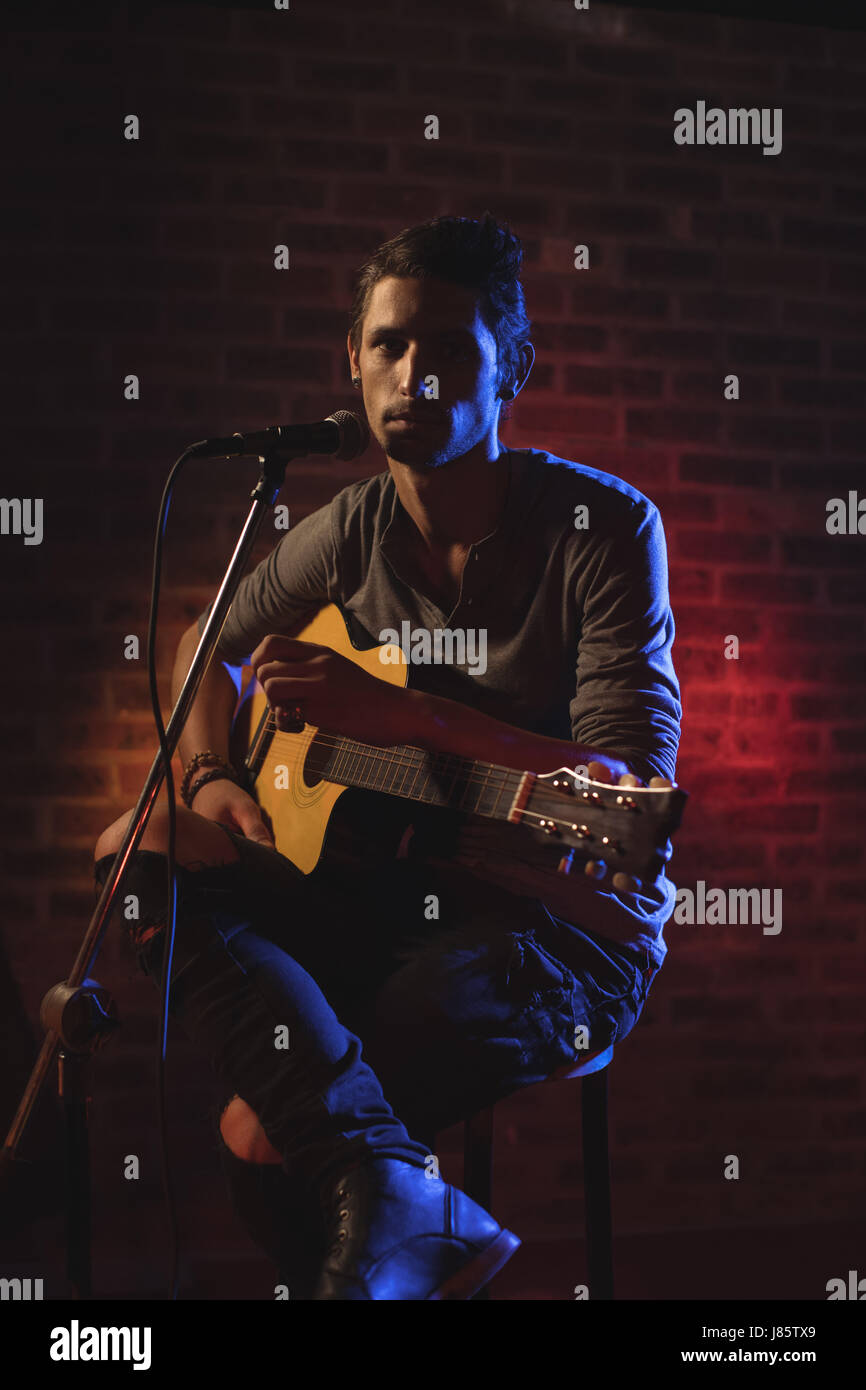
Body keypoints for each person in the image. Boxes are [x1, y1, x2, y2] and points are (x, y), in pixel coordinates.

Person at [93, 213, 681, 1301]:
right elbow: (198, 647)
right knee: (142, 844)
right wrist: (217, 778)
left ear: (512, 368)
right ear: (353, 364)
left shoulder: (602, 527)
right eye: (388, 346)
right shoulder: (350, 525)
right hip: (388, 888)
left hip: (553, 925)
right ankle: (397, 1188)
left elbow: (624, 790)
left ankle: (394, 1200)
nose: (414, 375)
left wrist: (404, 715)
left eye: (450, 349)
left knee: (262, 1138)